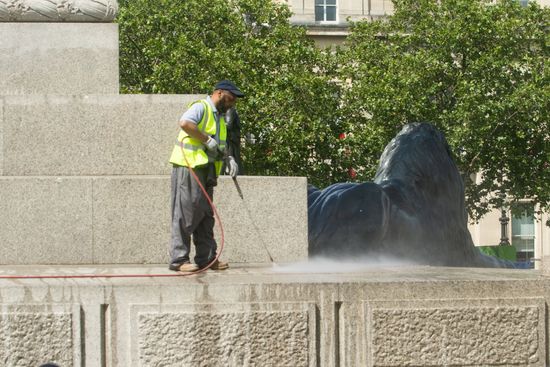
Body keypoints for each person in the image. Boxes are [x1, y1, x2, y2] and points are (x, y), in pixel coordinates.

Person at [168, 80, 244, 272]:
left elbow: (219, 144)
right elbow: (185, 123)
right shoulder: (201, 107)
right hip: (190, 166)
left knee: (205, 215)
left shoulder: (219, 117)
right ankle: (179, 260)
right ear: (219, 93)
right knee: (186, 213)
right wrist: (206, 139)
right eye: (231, 97)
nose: (233, 102)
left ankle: (207, 258)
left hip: (207, 170)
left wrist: (228, 158)